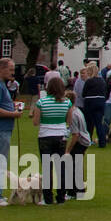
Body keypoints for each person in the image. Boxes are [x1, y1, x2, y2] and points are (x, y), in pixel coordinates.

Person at [32, 76, 71, 204]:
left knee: (47, 168)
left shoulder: (41, 102)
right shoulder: (67, 102)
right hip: (61, 135)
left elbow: (35, 122)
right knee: (61, 168)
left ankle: (48, 198)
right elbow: (69, 121)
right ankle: (61, 197)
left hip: (45, 136)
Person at [0, 58, 24, 207]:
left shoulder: (0, 84)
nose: (13, 73)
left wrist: (12, 106)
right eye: (11, 70)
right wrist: (14, 114)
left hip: (1, 129)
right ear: (1, 69)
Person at [64, 90, 91, 199]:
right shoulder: (77, 110)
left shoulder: (73, 115)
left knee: (72, 166)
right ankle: (79, 191)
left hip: (81, 141)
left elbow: (75, 135)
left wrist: (68, 150)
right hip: (84, 140)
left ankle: (73, 192)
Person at [81, 63, 108, 148]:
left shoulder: (89, 81)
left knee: (89, 123)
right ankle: (102, 142)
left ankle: (88, 140)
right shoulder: (102, 81)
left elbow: (83, 94)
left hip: (90, 102)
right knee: (99, 123)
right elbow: (105, 92)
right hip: (100, 101)